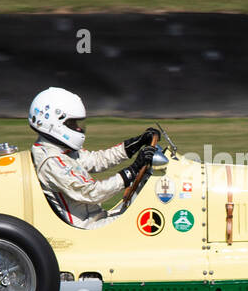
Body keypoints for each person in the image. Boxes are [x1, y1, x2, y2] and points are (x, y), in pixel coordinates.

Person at [29, 87, 157, 229]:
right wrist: (132, 171)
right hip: (89, 227)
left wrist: (134, 144)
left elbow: (96, 160)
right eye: (73, 124)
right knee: (152, 219)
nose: (78, 129)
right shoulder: (51, 162)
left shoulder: (58, 150)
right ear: (53, 123)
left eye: (79, 124)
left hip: (96, 218)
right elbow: (92, 193)